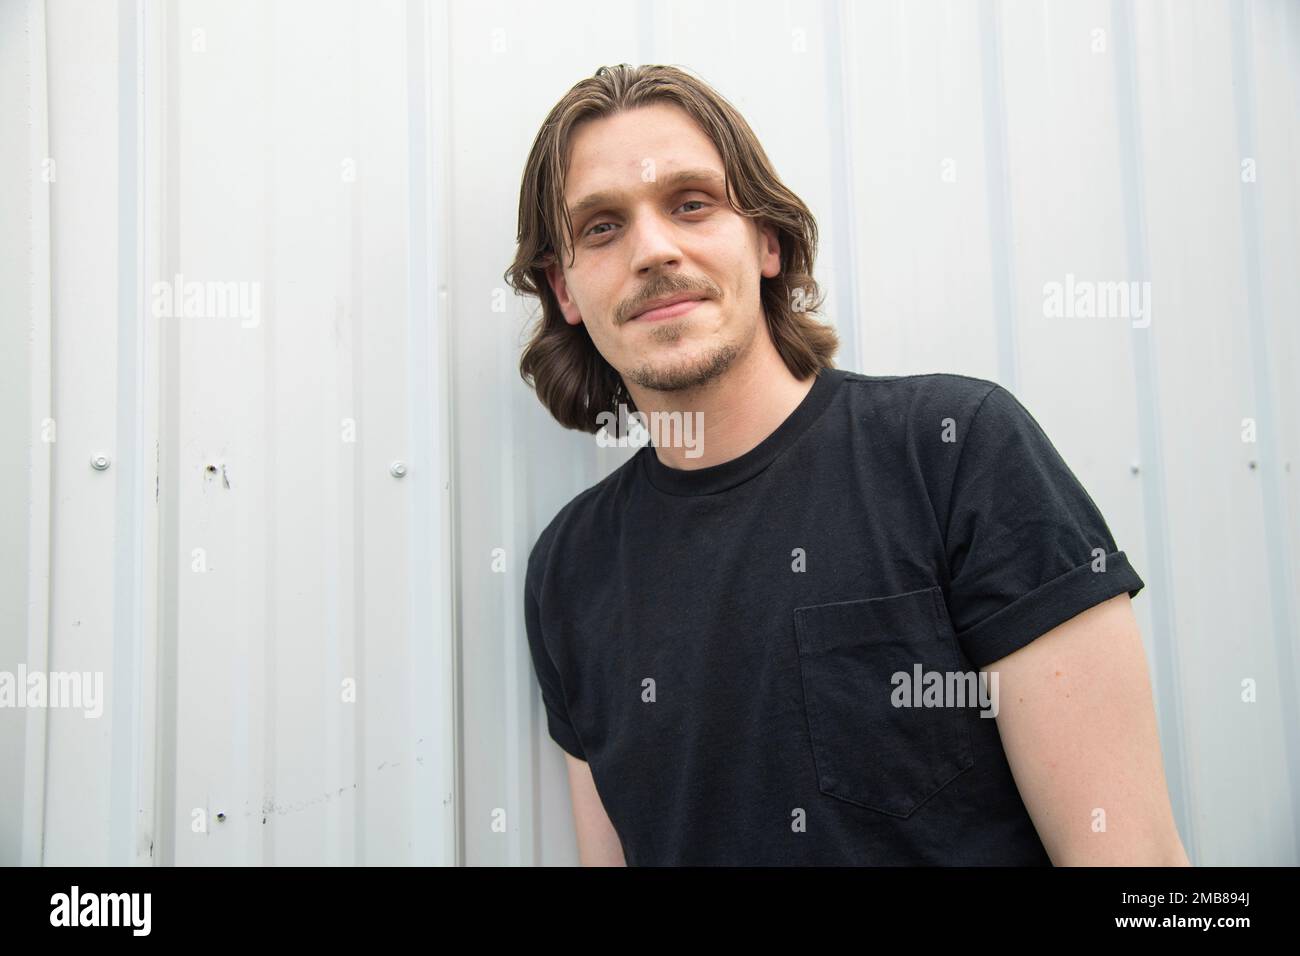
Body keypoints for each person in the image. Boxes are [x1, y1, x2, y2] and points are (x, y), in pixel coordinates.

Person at [505, 63, 1190, 867]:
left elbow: (1133, 861)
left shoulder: (954, 451)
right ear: (565, 290)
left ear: (766, 241)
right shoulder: (568, 569)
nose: (654, 249)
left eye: (691, 204)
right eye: (602, 227)